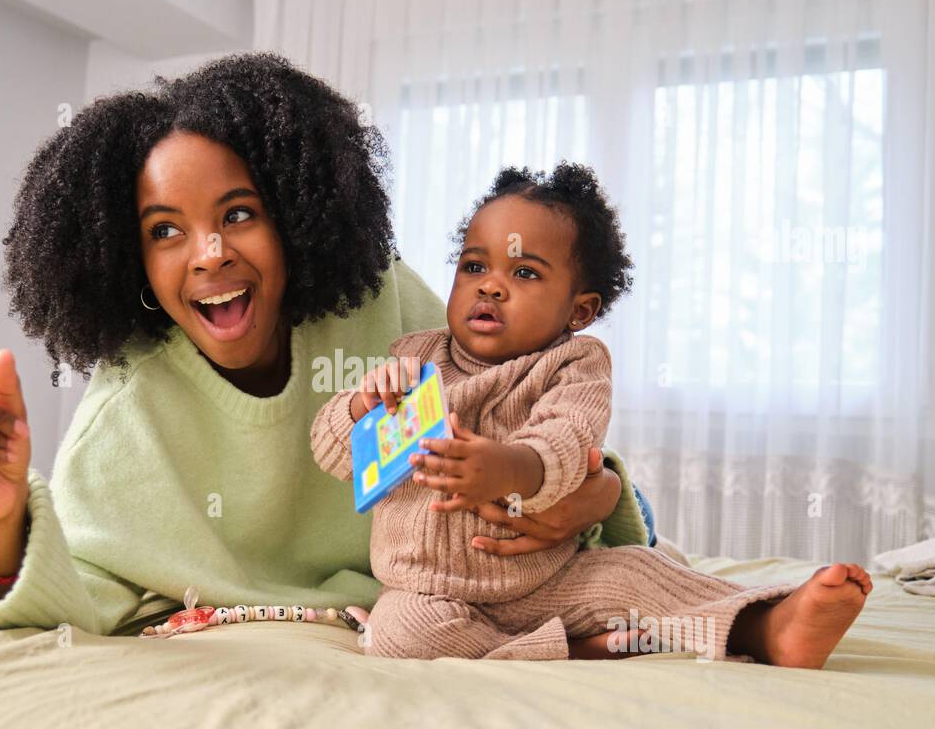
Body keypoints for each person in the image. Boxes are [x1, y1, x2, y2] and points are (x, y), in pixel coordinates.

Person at [0, 52, 654, 639]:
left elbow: (524, 398)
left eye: (238, 214)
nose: (209, 254)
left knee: (650, 586)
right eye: (165, 231)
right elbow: (88, 584)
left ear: (296, 219)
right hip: (418, 620)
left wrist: (594, 494)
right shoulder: (128, 411)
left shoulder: (383, 297)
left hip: (475, 575)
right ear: (130, 261)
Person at [311, 163, 873, 666]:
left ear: (579, 310)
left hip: (549, 578)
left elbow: (565, 440)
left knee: (637, 577)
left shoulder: (574, 363)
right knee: (400, 635)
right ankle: (575, 650)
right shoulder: (411, 361)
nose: (491, 285)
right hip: (430, 591)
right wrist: (362, 404)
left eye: (525, 273)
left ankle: (765, 626)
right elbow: (330, 451)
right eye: (473, 265)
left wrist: (507, 469)